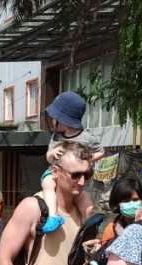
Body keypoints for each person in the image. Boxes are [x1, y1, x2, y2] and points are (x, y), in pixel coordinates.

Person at [41, 91, 105, 234]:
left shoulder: (87, 137)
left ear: (63, 119)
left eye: (54, 117)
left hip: (75, 178)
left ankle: (87, 227)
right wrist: (52, 154)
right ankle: (52, 216)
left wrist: (88, 159)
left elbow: (101, 152)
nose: (52, 120)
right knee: (47, 184)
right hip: (55, 172)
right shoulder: (56, 136)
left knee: (85, 202)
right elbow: (48, 157)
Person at [101, 176, 142, 243]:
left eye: (135, 200)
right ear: (117, 203)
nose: (131, 204)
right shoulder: (111, 230)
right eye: (126, 201)